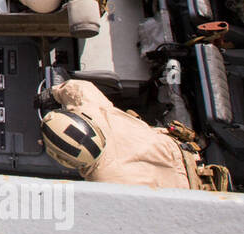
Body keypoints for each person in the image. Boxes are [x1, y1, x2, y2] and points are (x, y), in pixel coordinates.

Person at [41, 79, 231, 191]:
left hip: (198, 190)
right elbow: (79, 88)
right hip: (193, 153)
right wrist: (53, 93)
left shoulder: (104, 185)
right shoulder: (95, 111)